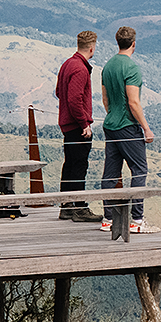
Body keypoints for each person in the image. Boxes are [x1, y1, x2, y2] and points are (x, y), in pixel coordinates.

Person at [100, 25, 154, 234]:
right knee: (139, 170)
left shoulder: (108, 66)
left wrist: (112, 114)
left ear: (117, 42)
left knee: (110, 174)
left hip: (110, 125)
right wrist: (146, 129)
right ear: (133, 43)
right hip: (128, 127)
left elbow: (105, 99)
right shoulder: (131, 68)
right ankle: (137, 220)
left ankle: (108, 219)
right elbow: (133, 102)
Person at [54, 30, 100, 222]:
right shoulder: (81, 69)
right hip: (77, 126)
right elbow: (74, 99)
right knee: (80, 165)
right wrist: (84, 123)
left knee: (70, 165)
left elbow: (58, 92)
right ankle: (80, 208)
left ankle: (66, 206)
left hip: (67, 124)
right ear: (91, 47)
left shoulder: (67, 64)